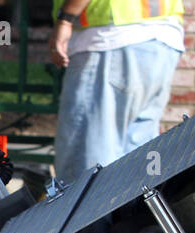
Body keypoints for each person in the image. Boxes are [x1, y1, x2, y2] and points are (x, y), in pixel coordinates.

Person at [49, 0, 185, 185]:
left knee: (85, 171)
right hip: (162, 40)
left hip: (111, 41)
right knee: (136, 171)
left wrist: (65, 19)